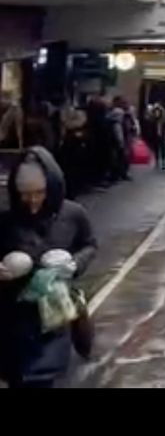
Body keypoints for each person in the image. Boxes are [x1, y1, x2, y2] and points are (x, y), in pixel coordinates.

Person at [0, 148, 96, 388]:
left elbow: (90, 244)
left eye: (39, 193)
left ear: (52, 186)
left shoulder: (73, 214)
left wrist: (75, 264)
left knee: (41, 380)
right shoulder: (5, 222)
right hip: (14, 320)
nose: (32, 202)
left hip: (53, 318)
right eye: (25, 195)